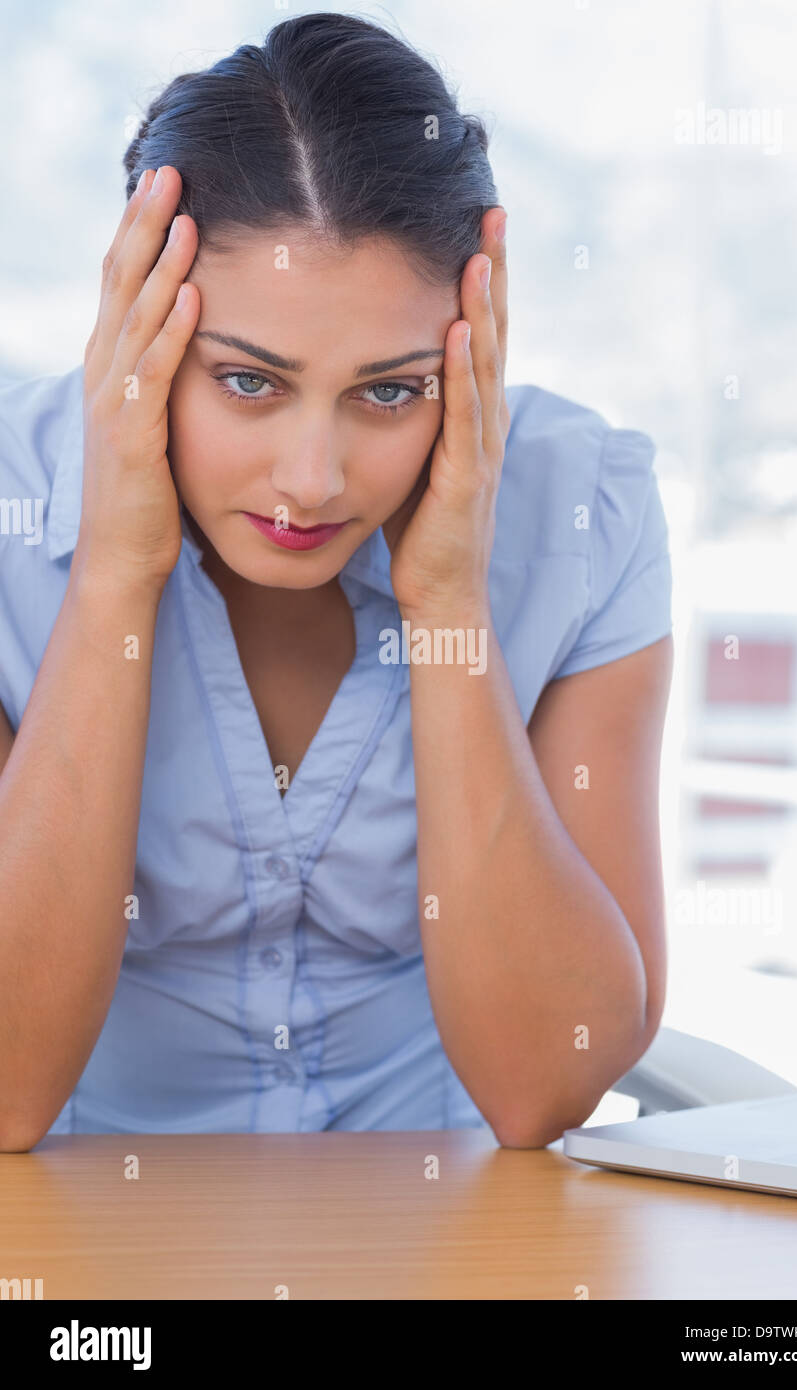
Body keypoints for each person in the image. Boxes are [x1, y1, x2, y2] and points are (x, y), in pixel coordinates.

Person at [0, 12, 673, 1150]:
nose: (311, 481)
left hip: (453, 1239)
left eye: (390, 390)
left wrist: (450, 604)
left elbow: (539, 1084)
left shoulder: (580, 509)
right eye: (249, 383)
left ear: (471, 343)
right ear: (135, 319)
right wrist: (115, 569)